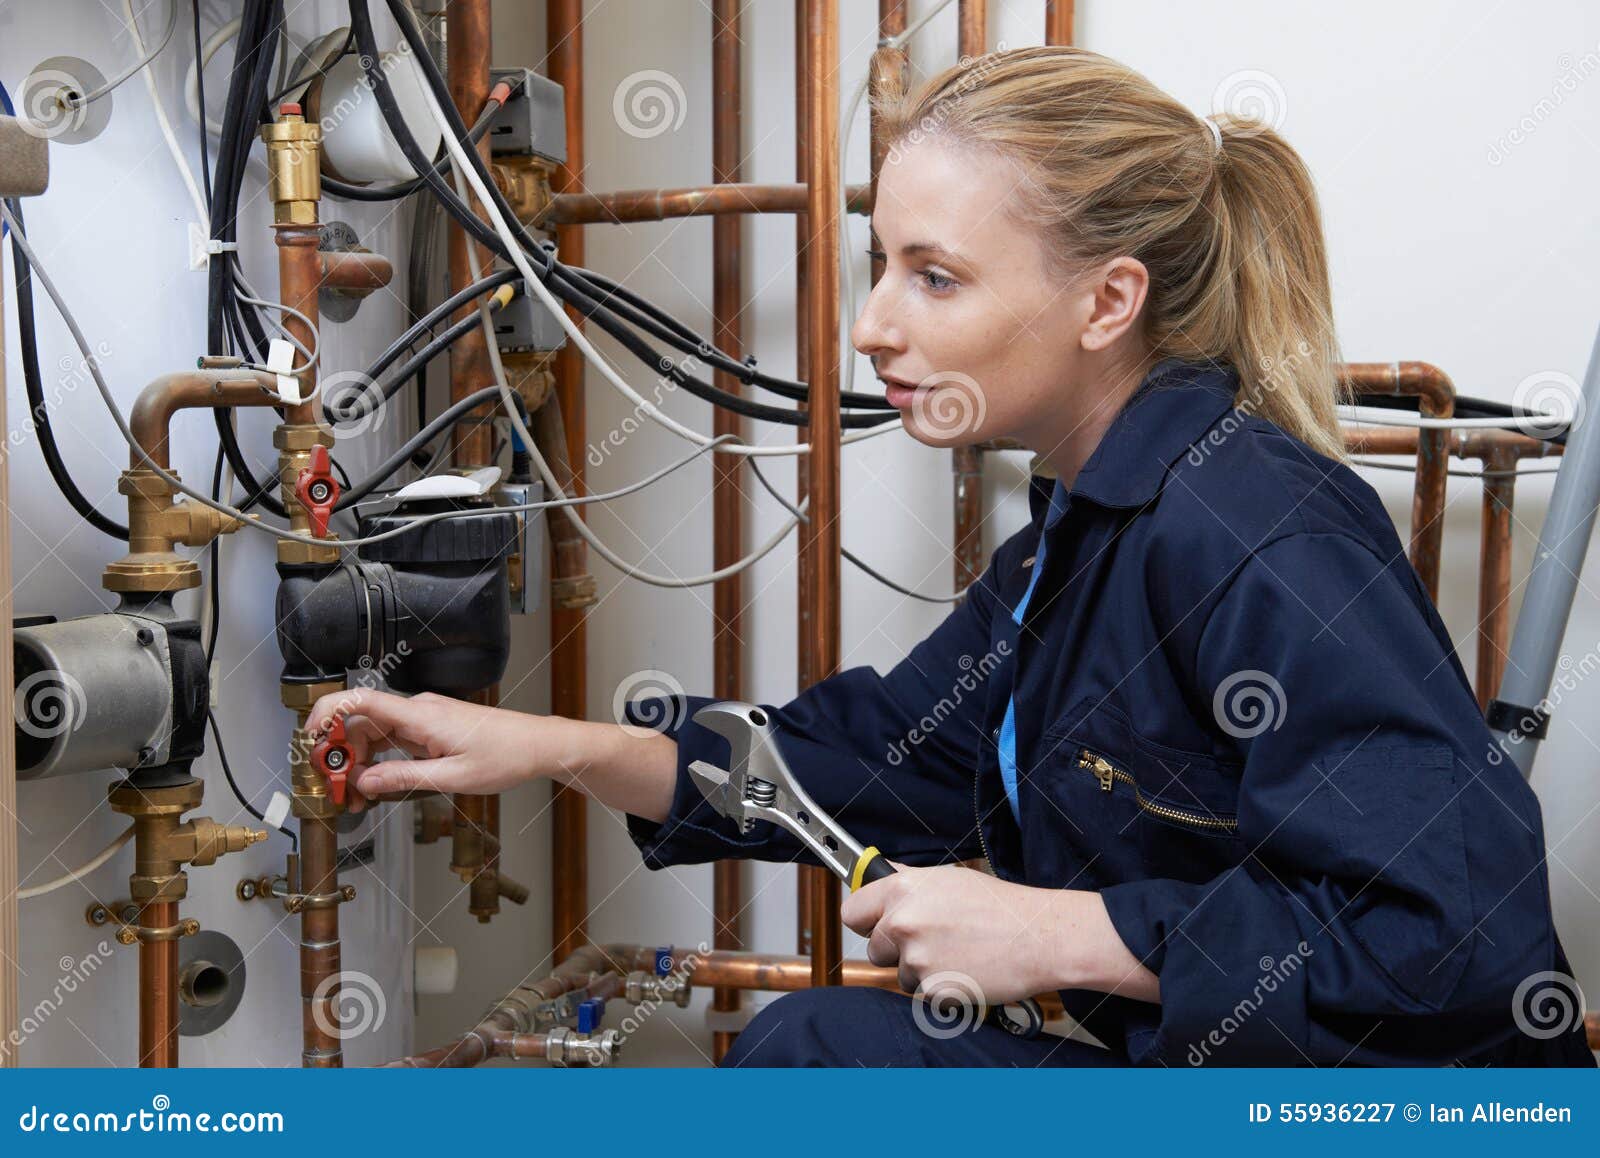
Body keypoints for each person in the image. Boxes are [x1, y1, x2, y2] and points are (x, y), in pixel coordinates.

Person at [307, 46, 1595, 1068]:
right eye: (881, 264)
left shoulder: (1255, 530)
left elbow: (1467, 956)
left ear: (1108, 302)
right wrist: (550, 748)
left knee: (819, 1055)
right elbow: (863, 763)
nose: (870, 326)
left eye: (935, 277)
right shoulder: (1084, 535)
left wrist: (1065, 931)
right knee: (822, 1051)